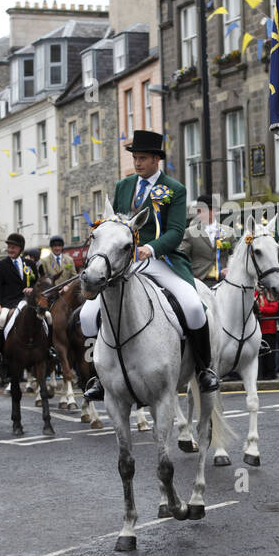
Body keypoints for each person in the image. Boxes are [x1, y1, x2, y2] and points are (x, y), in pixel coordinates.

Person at [81, 130, 219, 402]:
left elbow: (177, 231)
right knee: (87, 315)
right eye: (135, 158)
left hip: (159, 260)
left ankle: (204, 370)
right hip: (122, 264)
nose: (137, 163)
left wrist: (151, 248)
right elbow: (116, 225)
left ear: (157, 159)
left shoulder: (175, 189)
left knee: (193, 307)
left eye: (143, 158)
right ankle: (98, 375)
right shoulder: (124, 186)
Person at [0, 232, 34, 365]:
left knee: (47, 316)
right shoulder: (0, 266)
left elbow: (37, 282)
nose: (10, 250)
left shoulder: (30, 264)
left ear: (20, 249)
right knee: (1, 319)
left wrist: (32, 288)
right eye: (9, 247)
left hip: (28, 302)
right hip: (8, 303)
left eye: (13, 247)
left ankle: (50, 349)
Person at [180, 198, 237, 283]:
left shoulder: (229, 232)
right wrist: (189, 275)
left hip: (224, 281)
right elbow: (181, 257)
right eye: (198, 211)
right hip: (200, 281)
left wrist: (230, 268)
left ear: (213, 211)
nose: (199, 214)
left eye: (202, 210)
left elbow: (237, 255)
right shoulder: (189, 233)